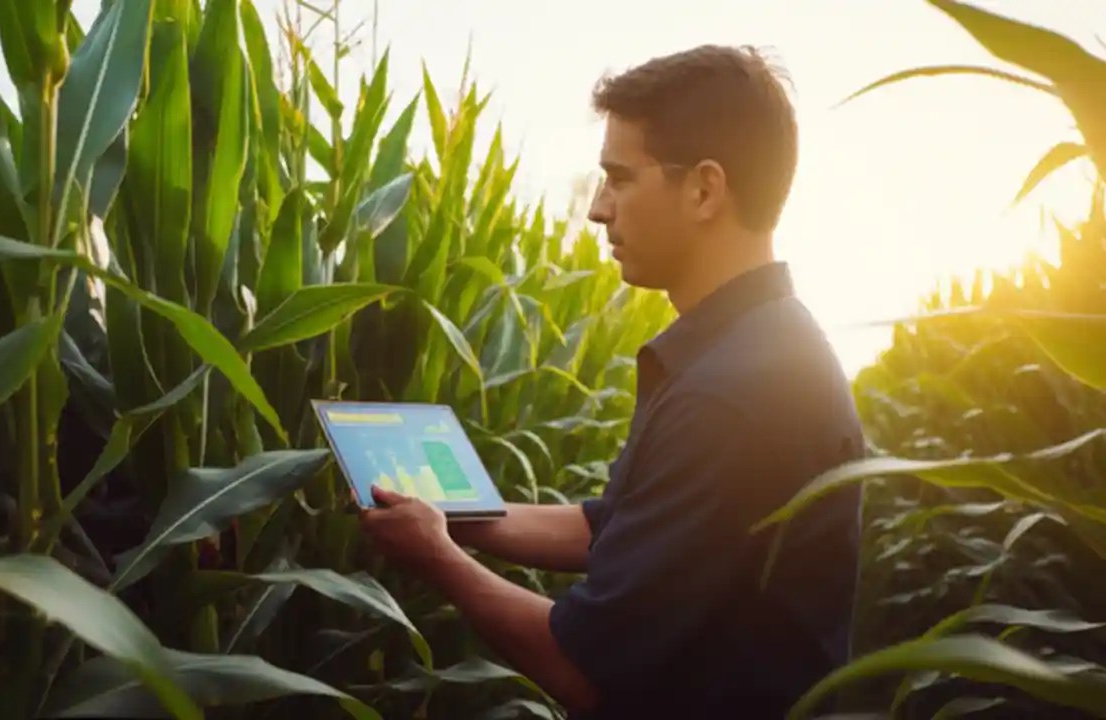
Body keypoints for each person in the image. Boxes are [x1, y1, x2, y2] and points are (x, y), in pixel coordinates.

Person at [358, 44, 865, 719]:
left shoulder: (733, 393)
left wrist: (435, 555)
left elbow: (585, 671)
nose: (599, 209)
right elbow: (614, 531)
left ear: (705, 189)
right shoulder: (755, 348)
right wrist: (460, 514)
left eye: (619, 178)